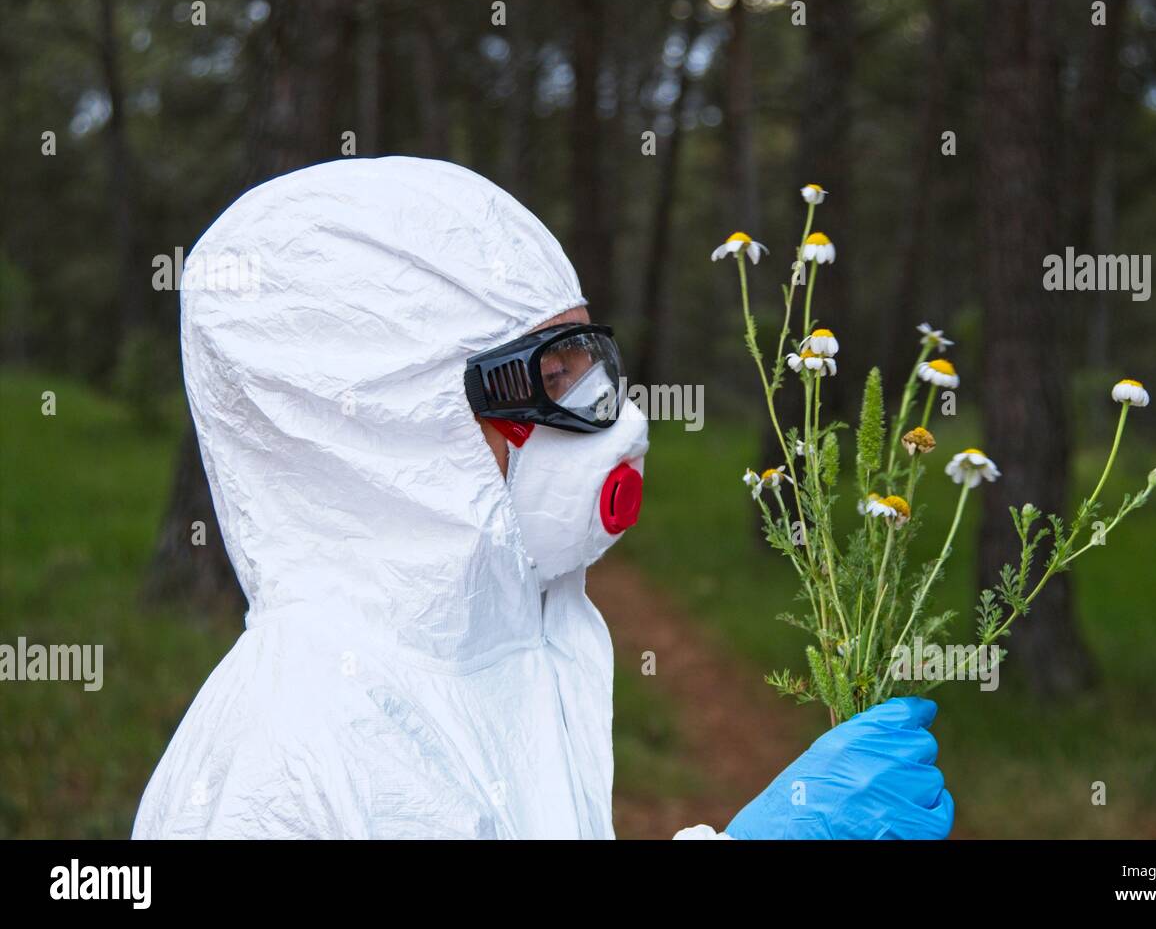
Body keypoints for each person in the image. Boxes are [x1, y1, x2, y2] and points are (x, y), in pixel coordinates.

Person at [133, 157, 953, 839]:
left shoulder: (511, 650)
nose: (608, 420)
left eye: (589, 366)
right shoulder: (279, 770)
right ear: (391, 422)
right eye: (552, 378)